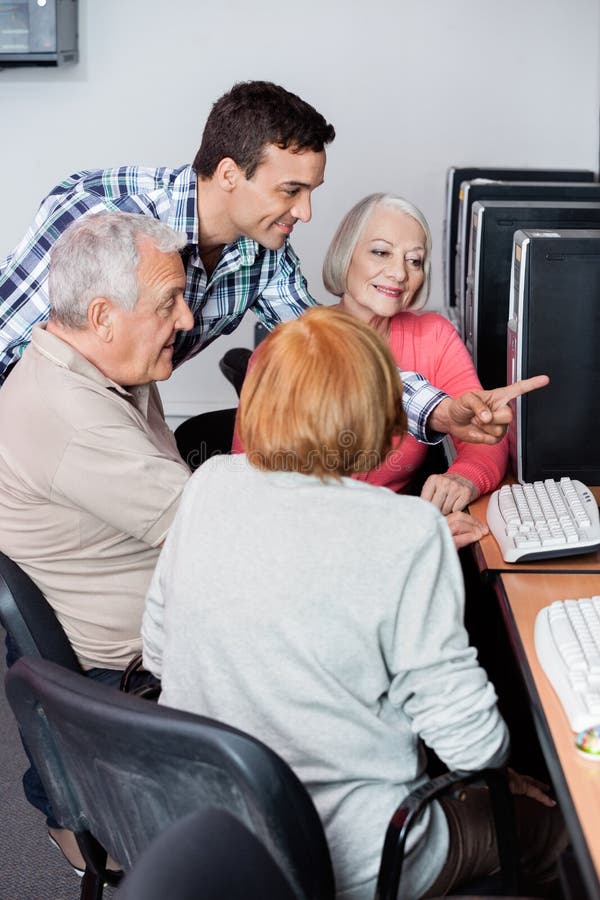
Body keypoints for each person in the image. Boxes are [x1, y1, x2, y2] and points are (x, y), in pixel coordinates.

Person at [143, 307, 566, 900]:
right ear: (375, 415)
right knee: (560, 825)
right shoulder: (408, 529)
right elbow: (475, 747)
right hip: (363, 856)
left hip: (213, 835)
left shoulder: (209, 482)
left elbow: (159, 656)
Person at [0, 79, 542, 448]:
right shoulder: (101, 211)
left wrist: (442, 412)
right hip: (40, 440)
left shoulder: (264, 255)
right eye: (290, 190)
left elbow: (337, 352)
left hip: (119, 425)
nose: (305, 213)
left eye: (311, 192)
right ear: (231, 173)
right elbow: (8, 339)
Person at [0, 211, 192, 870]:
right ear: (104, 317)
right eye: (170, 302)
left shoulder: (95, 366)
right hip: (134, 676)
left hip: (139, 638)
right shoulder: (74, 418)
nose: (189, 320)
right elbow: (215, 530)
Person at [323, 192, 507, 548]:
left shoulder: (432, 335)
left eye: (415, 260)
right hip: (316, 551)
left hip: (396, 547)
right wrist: (408, 537)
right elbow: (263, 497)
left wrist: (463, 478)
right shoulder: (293, 345)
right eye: (381, 252)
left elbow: (483, 436)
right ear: (346, 254)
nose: (399, 273)